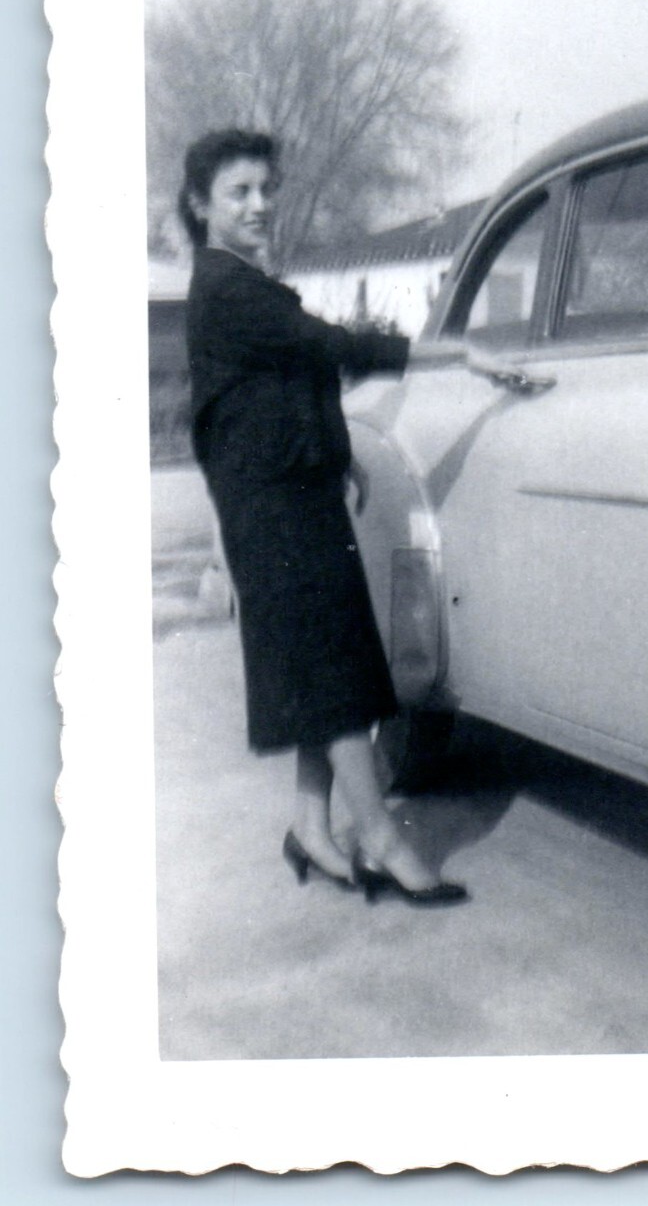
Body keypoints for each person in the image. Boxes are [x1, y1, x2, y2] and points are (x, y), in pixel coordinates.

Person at [181, 128, 467, 906]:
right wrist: (456, 355)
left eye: (265, 189)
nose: (259, 205)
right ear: (201, 205)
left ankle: (311, 827)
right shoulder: (228, 288)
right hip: (273, 509)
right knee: (336, 671)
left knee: (320, 667)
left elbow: (298, 383)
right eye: (238, 192)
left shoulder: (246, 284)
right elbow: (331, 346)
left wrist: (336, 460)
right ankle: (376, 836)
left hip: (296, 494)